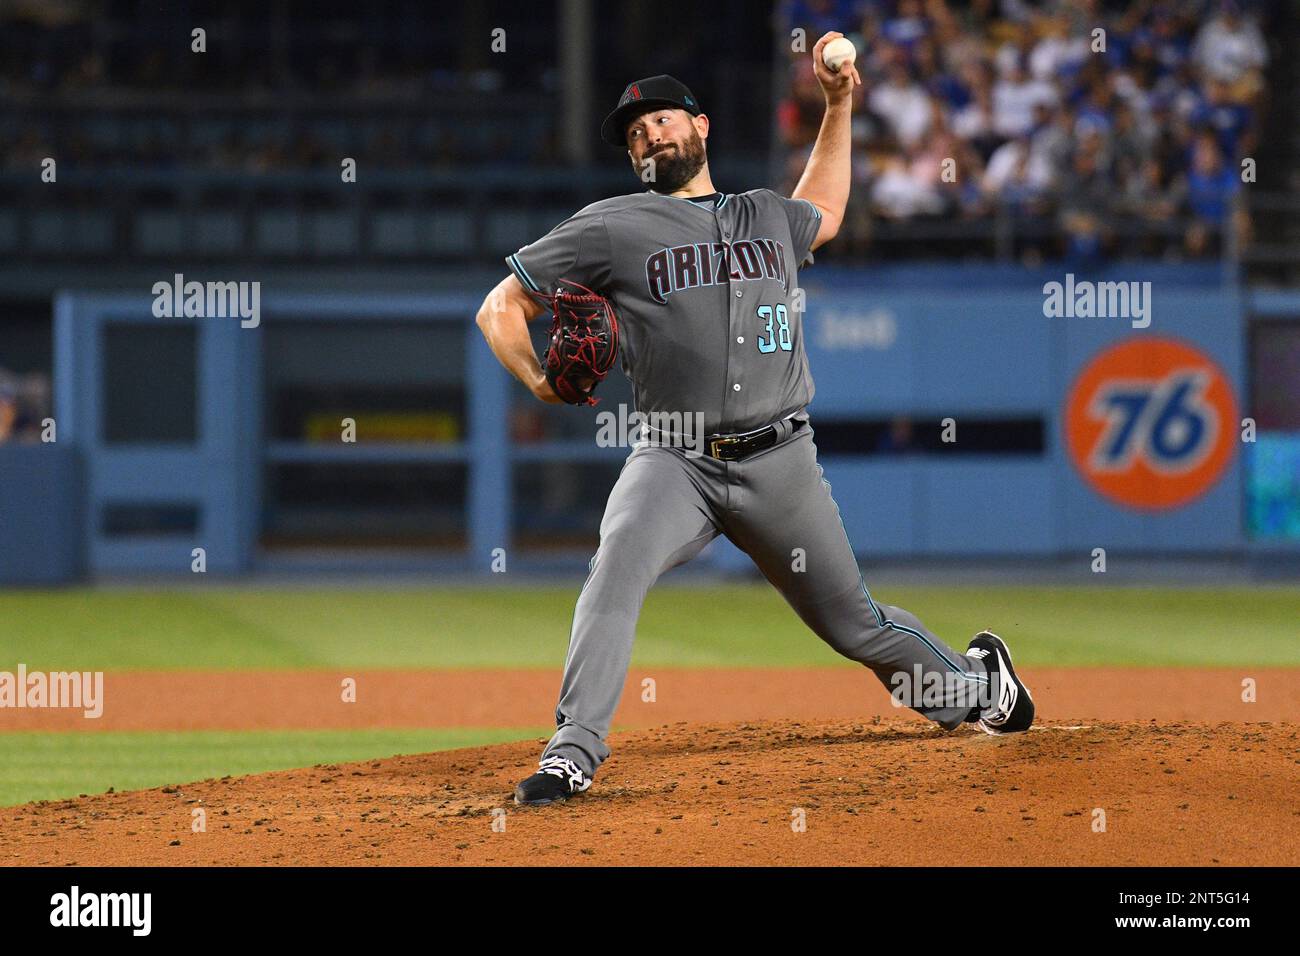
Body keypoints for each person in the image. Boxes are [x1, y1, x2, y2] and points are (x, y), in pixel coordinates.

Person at [474, 33, 1035, 807]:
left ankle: (978, 688)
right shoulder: (611, 226)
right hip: (673, 460)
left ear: (701, 128)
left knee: (856, 626)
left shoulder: (766, 215)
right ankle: (573, 751)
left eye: (661, 120)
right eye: (635, 133)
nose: (647, 135)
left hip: (781, 461)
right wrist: (537, 378)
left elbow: (829, 208)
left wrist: (839, 105)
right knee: (614, 574)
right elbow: (500, 305)